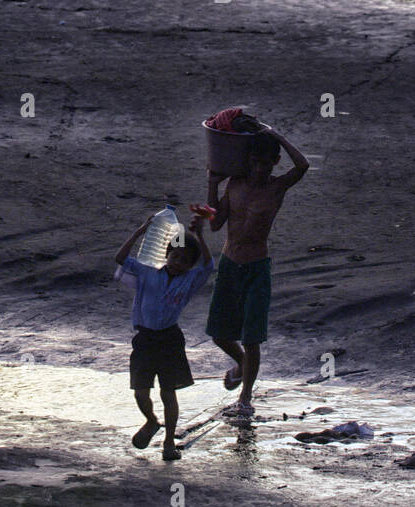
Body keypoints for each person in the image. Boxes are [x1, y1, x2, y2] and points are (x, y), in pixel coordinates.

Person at [205, 125, 309, 417]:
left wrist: (277, 136)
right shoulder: (235, 184)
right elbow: (215, 224)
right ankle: (242, 365)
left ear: (275, 162)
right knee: (219, 334)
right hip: (230, 264)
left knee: (251, 338)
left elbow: (303, 165)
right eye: (255, 162)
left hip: (257, 267)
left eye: (266, 163)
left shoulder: (276, 187)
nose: (260, 169)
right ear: (248, 160)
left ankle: (245, 398)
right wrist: (212, 185)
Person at [115, 211, 214, 461]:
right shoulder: (148, 273)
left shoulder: (189, 280)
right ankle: (151, 421)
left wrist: (201, 237)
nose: (178, 262)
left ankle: (169, 442)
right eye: (174, 256)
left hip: (169, 340)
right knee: (140, 391)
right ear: (166, 255)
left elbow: (209, 266)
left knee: (168, 393)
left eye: (184, 260)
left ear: (190, 266)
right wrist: (140, 231)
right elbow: (120, 258)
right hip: (145, 339)